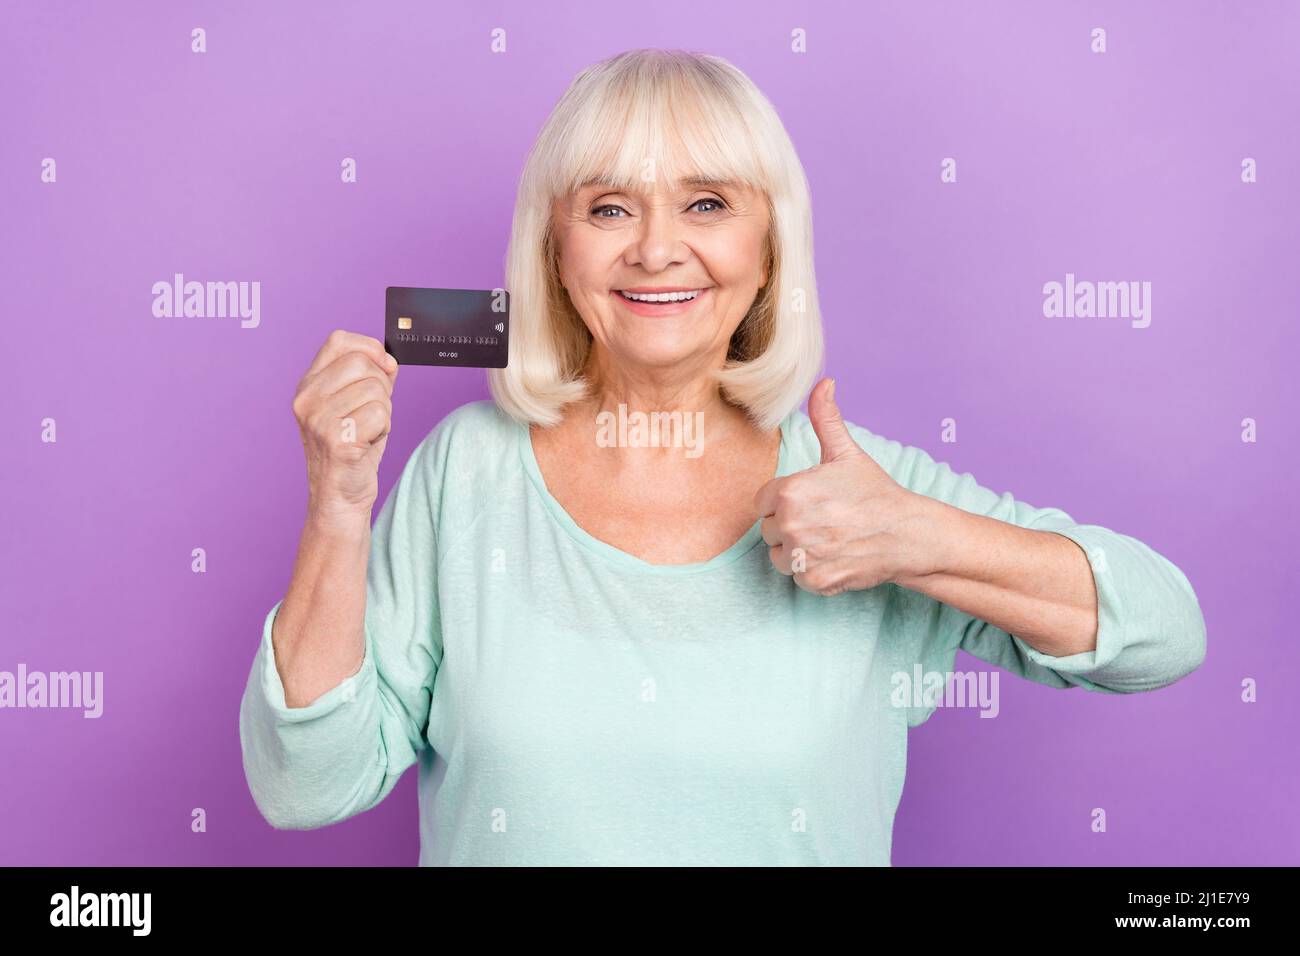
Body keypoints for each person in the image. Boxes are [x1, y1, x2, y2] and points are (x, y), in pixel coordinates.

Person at [238, 48, 1206, 865]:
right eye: (609, 208)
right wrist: (336, 501)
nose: (657, 250)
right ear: (553, 250)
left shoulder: (858, 492)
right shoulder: (466, 469)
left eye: (706, 203)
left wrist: (918, 537)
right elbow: (306, 785)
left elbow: (1162, 634)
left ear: (770, 249)